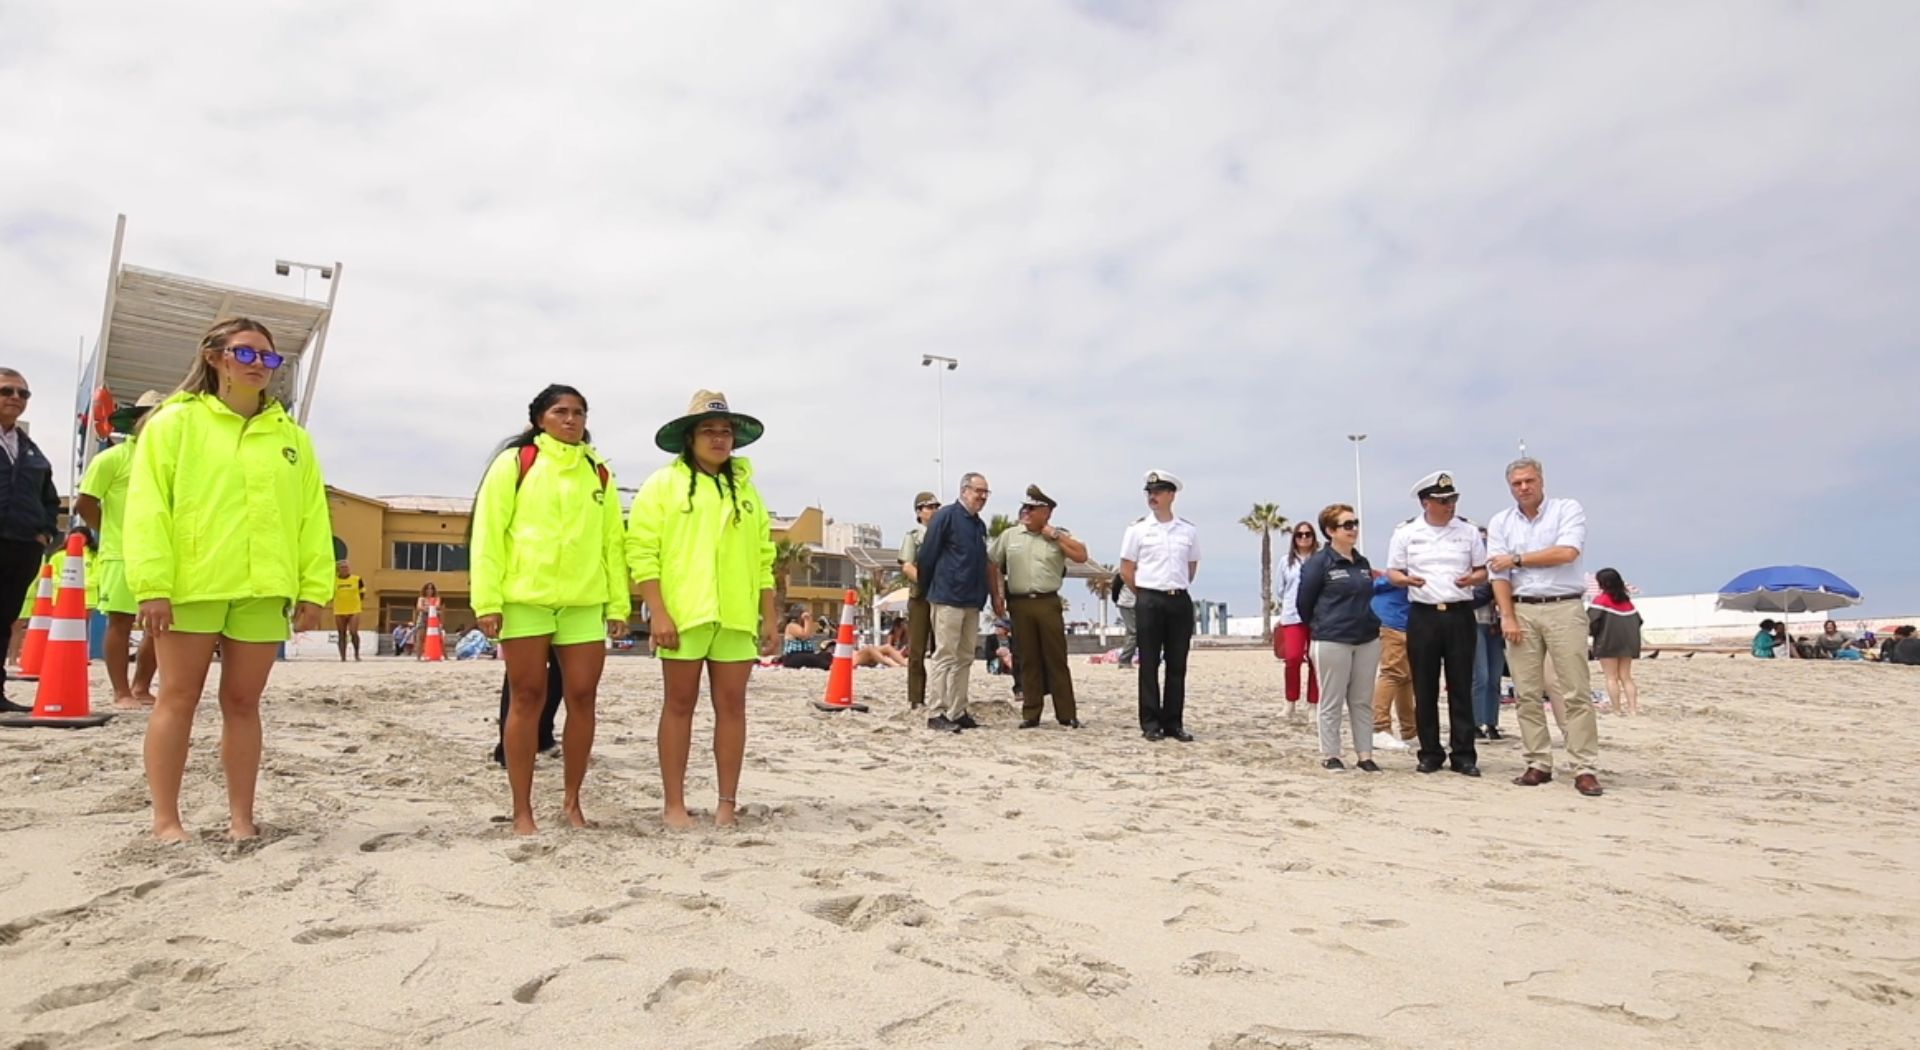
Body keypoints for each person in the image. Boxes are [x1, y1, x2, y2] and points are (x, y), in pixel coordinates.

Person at [126, 318, 333, 841]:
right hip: (193, 583)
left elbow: (312, 515)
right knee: (179, 696)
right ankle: (165, 820)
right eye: (246, 354)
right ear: (216, 356)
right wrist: (152, 585)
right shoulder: (174, 423)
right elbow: (148, 506)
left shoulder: (292, 438)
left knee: (243, 703)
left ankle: (242, 818)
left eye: (269, 358)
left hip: (264, 589)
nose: (259, 365)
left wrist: (313, 587)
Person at [470, 383, 631, 835]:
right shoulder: (515, 464)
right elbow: (488, 534)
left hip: (583, 602)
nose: (571, 419)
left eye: (579, 412)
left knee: (582, 697)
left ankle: (572, 802)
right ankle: (523, 810)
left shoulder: (598, 472)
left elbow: (611, 543)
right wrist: (487, 600)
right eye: (561, 411)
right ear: (540, 418)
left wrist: (618, 603)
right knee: (526, 698)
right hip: (525, 599)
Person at [629, 390, 776, 829]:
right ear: (689, 438)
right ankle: (674, 804)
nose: (718, 439)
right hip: (685, 613)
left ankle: (727, 803)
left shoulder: (748, 493)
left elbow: (764, 559)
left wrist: (769, 616)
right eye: (708, 431)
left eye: (725, 431)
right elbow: (641, 551)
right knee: (679, 704)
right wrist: (659, 610)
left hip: (734, 616)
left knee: (733, 707)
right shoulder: (662, 485)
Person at [1488, 457, 1603, 797]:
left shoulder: (1566, 510)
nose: (1524, 487)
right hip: (1522, 608)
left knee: (1575, 690)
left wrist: (1518, 558)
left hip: (1563, 606)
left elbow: (1567, 552)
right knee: (1526, 692)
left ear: (1541, 481)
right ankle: (1538, 761)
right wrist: (1506, 615)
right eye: (1517, 483)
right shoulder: (1501, 521)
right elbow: (1498, 573)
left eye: (1529, 481)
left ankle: (1584, 766)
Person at [1387, 471, 1488, 777]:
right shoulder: (1407, 533)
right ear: (1425, 502)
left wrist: (1474, 578)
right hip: (1424, 614)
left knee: (1461, 685)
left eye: (1452, 499)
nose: (1449, 505)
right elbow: (1393, 572)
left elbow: (1482, 570)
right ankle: (1430, 752)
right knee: (1425, 687)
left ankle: (1464, 754)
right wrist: (1405, 580)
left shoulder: (1468, 531)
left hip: (1459, 613)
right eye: (1442, 501)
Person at [73, 391, 164, 710]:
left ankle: (142, 687)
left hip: (163, 554)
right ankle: (121, 691)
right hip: (121, 553)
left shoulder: (172, 460)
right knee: (121, 622)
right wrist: (110, 531)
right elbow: (84, 502)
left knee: (159, 626)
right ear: (135, 421)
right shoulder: (111, 458)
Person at [989, 485, 1089, 729]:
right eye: (1024, 507)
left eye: (1032, 509)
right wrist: (997, 595)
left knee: (1056, 658)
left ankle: (1066, 713)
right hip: (1019, 603)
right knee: (1027, 658)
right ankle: (1031, 713)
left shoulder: (1058, 535)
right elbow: (992, 563)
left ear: (1047, 512)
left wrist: (1055, 536)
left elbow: (1081, 555)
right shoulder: (1010, 536)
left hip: (1047, 602)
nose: (1026, 512)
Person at [1295, 504, 1382, 772]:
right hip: (1332, 639)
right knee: (1331, 699)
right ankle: (1331, 753)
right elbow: (1304, 603)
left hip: (1366, 638)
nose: (1353, 529)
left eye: (1354, 523)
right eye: (1347, 525)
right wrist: (1324, 625)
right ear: (1331, 531)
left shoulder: (1362, 562)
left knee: (1361, 700)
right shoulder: (1319, 563)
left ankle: (1365, 754)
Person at [1120, 469, 1201, 742]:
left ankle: (1174, 723)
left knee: (1177, 665)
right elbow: (1126, 568)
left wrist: (1173, 587)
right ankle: (1151, 723)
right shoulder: (1138, 529)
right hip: (1150, 599)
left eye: (1157, 492)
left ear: (1171, 495)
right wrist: (1144, 594)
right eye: (1149, 492)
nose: (1152, 497)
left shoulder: (1187, 530)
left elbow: (1191, 567)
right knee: (1149, 663)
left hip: (1179, 599)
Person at [0, 366, 60, 715]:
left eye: (23, 394)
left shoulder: (32, 452)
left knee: (5, 618)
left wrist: (45, 533)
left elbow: (50, 500)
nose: (16, 399)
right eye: (7, 391)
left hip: (22, 546)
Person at [915, 472, 992, 733]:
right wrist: (929, 588)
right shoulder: (946, 517)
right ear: (964, 490)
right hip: (947, 597)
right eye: (978, 491)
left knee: (965, 657)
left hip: (972, 600)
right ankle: (937, 711)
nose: (981, 497)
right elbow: (926, 556)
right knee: (945, 655)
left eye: (985, 493)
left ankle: (957, 710)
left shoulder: (979, 526)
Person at [897, 491, 940, 708]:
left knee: (944, 651)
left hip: (943, 597)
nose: (933, 510)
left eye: (935, 506)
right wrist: (925, 583)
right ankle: (916, 698)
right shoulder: (913, 535)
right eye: (928, 507)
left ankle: (943, 697)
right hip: (921, 597)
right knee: (916, 651)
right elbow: (907, 565)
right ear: (918, 512)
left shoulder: (944, 534)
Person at [1275, 521, 1320, 717]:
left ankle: (1313, 704)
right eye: (1299, 535)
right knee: (1292, 659)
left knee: (1315, 660)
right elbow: (1280, 589)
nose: (1304, 538)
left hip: (1317, 616)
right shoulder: (1286, 561)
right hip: (1292, 615)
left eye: (1307, 534)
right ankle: (1290, 702)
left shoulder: (1320, 560)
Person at [1588, 567, 1643, 716]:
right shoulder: (1627, 603)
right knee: (1626, 676)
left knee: (1611, 677)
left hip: (1607, 643)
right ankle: (1633, 709)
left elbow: (1590, 622)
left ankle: (1617, 710)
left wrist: (1591, 634)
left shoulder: (1600, 601)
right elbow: (1639, 621)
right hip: (1628, 644)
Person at [1369, 575, 1414, 751]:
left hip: (1406, 620)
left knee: (1407, 677)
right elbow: (1383, 581)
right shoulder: (1405, 565)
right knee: (1392, 673)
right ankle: (1379, 728)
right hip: (1393, 621)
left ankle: (1410, 731)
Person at [333, 560, 366, 662]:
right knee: (341, 633)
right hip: (339, 610)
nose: (345, 569)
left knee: (353, 632)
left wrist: (357, 602)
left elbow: (362, 593)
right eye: (342, 567)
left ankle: (356, 654)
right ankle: (343, 657)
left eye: (346, 567)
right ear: (338, 570)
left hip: (354, 609)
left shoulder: (357, 579)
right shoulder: (333, 581)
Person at [1113, 572, 1138, 667]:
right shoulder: (1123, 575)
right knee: (1134, 632)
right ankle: (1124, 659)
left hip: (1134, 604)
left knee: (1130, 632)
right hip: (1127, 604)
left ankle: (1126, 658)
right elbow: (1115, 589)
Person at [413, 583, 441, 660]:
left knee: (438, 637)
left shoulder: (436, 598)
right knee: (420, 637)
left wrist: (427, 608)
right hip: (423, 618)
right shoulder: (421, 598)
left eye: (431, 589)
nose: (429, 590)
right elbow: (419, 607)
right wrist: (430, 608)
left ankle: (437, 655)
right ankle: (418, 657)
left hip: (433, 619)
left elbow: (437, 606)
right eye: (428, 589)